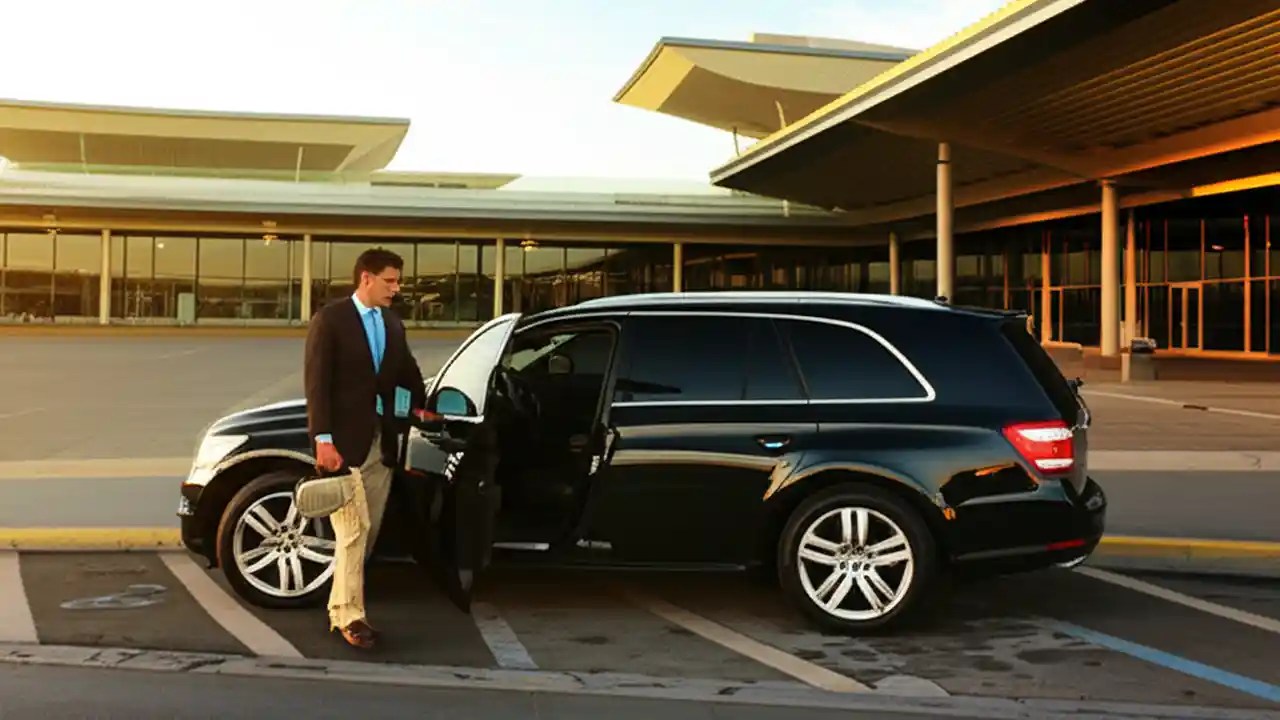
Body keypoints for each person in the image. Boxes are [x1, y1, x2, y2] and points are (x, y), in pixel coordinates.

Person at [304, 247, 427, 650]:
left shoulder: (393, 324)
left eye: (398, 281)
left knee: (365, 534)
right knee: (354, 532)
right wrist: (323, 439)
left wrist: (426, 408)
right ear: (366, 279)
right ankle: (349, 617)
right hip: (343, 445)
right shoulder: (331, 320)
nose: (396, 288)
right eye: (390, 280)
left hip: (382, 443)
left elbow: (407, 372)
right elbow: (317, 383)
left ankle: (342, 606)